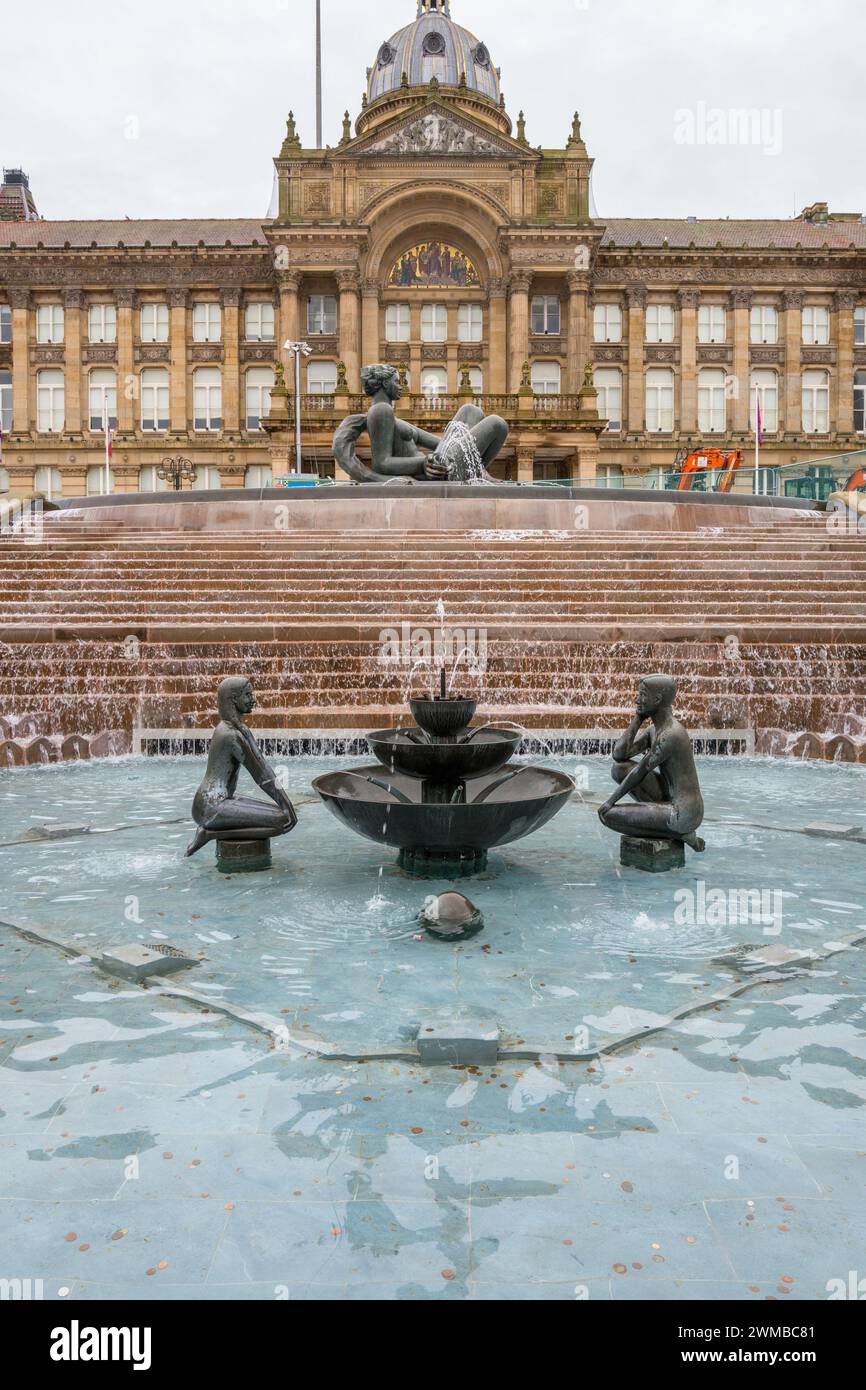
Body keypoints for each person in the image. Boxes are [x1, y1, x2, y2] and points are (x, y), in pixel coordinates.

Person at [332, 364, 508, 484]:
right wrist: (424, 463)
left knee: (471, 410)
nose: (401, 385)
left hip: (438, 462)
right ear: (385, 383)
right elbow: (381, 463)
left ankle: (476, 471)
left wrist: (457, 446)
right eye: (396, 381)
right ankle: (476, 473)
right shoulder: (381, 411)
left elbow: (440, 444)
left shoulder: (390, 415)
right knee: (496, 424)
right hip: (432, 472)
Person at [187, 677, 297, 857]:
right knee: (283, 820)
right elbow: (260, 774)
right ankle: (209, 833)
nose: (253, 699)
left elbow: (263, 766)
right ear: (233, 700)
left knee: (281, 813)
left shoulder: (238, 729)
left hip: (218, 800)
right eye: (247, 695)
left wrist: (285, 803)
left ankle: (210, 831)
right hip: (211, 807)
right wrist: (287, 805)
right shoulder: (230, 735)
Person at [598, 674, 706, 851]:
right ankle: (665, 826)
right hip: (668, 798)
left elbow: (640, 771)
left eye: (642, 695)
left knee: (608, 815)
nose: (637, 700)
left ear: (656, 700)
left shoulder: (671, 735)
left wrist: (610, 802)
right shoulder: (654, 730)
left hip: (684, 813)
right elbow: (619, 755)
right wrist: (638, 718)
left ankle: (680, 833)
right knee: (619, 769)